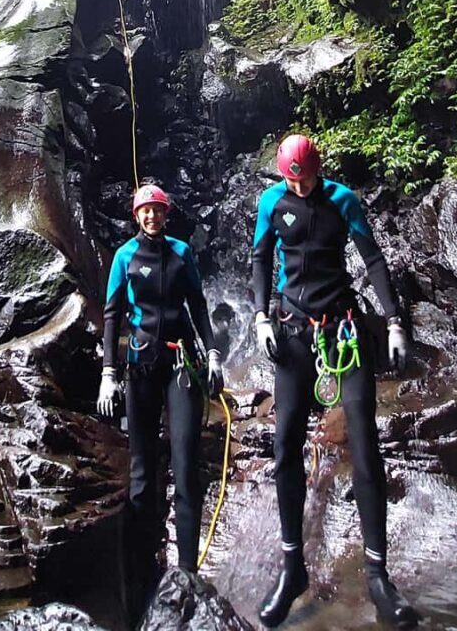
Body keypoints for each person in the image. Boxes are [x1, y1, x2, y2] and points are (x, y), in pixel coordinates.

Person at [251, 134, 420, 629]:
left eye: (304, 176)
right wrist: (260, 317)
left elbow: (372, 259)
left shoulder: (343, 199)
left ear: (316, 169)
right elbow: (261, 259)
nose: (299, 185)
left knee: (365, 443)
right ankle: (292, 570)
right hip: (293, 332)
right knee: (284, 447)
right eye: (291, 177)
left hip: (343, 330)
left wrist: (392, 320)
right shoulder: (270, 202)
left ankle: (378, 576)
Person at [96, 183, 223, 589]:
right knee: (142, 469)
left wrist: (214, 352)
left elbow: (198, 306)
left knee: (185, 464)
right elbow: (112, 315)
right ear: (137, 216)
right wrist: (108, 372)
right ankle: (141, 565)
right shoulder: (124, 257)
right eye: (145, 211)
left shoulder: (182, 253)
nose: (152, 216)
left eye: (158, 210)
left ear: (166, 214)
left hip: (181, 366)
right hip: (141, 370)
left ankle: (187, 570)